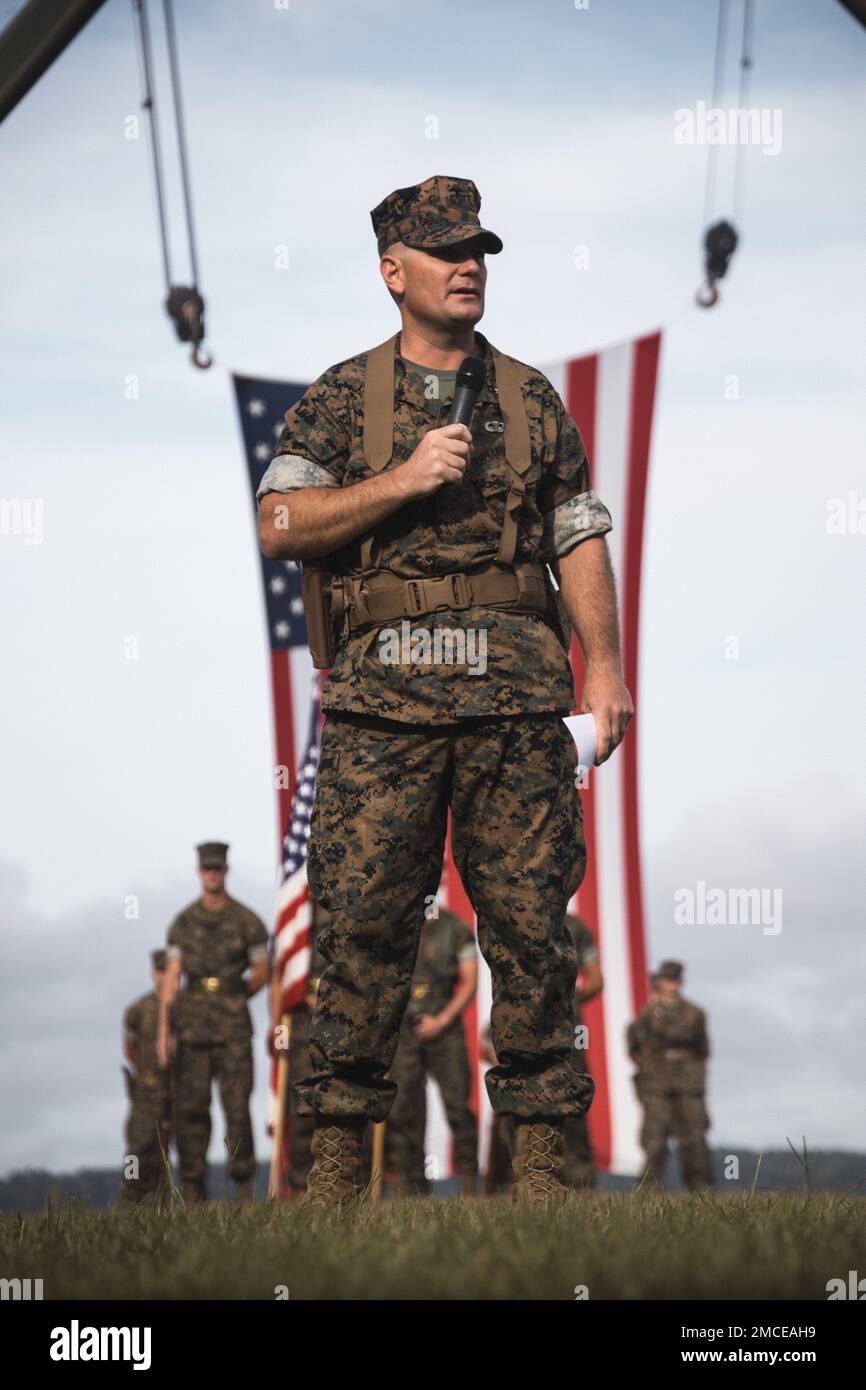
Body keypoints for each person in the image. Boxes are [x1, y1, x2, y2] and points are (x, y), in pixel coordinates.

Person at [257, 174, 632, 1207]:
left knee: (530, 930)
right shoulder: (341, 395)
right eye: (445, 250)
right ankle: (335, 1180)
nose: (469, 265)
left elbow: (578, 536)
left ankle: (546, 1178)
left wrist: (600, 668)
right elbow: (278, 525)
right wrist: (403, 478)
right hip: (385, 710)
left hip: (515, 703)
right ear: (393, 272)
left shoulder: (527, 396)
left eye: (479, 250)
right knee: (360, 930)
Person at [157, 842, 270, 1204]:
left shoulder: (247, 921)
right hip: (191, 1030)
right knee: (191, 1108)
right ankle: (193, 1189)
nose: (212, 874)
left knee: (237, 1107)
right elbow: (172, 979)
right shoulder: (183, 923)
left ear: (225, 871)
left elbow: (262, 971)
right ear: (199, 872)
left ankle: (243, 1189)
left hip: (233, 1029)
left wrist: (233, 997)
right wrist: (164, 1028)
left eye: (217, 869)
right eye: (207, 869)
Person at [385, 902, 478, 1196]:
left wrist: (442, 1020)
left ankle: (467, 1183)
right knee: (403, 1109)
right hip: (404, 1033)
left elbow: (469, 981)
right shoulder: (391, 924)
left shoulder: (455, 928)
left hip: (445, 1030)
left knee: (457, 1105)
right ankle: (409, 1185)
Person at [627, 961, 712, 1192]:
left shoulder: (695, 1014)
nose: (671, 984)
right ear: (658, 982)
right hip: (656, 1082)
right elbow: (634, 1048)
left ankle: (701, 1189)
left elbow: (703, 1050)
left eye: (674, 979)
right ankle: (649, 1191)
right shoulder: (646, 1017)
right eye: (666, 979)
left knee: (694, 1138)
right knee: (655, 1139)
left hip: (688, 1082)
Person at [119, 949, 173, 1206]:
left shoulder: (185, 1007)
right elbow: (130, 1049)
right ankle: (131, 1198)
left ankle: (166, 1203)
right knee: (139, 1147)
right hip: (147, 1091)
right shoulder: (138, 1010)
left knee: (172, 1150)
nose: (166, 978)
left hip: (179, 1089)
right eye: (161, 971)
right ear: (154, 973)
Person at [563, 913, 603, 1189]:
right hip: (525, 1022)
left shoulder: (577, 927)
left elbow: (596, 979)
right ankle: (526, 1177)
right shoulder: (513, 913)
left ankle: (581, 1182)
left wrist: (568, 1000)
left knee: (574, 1095)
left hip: (568, 1026)